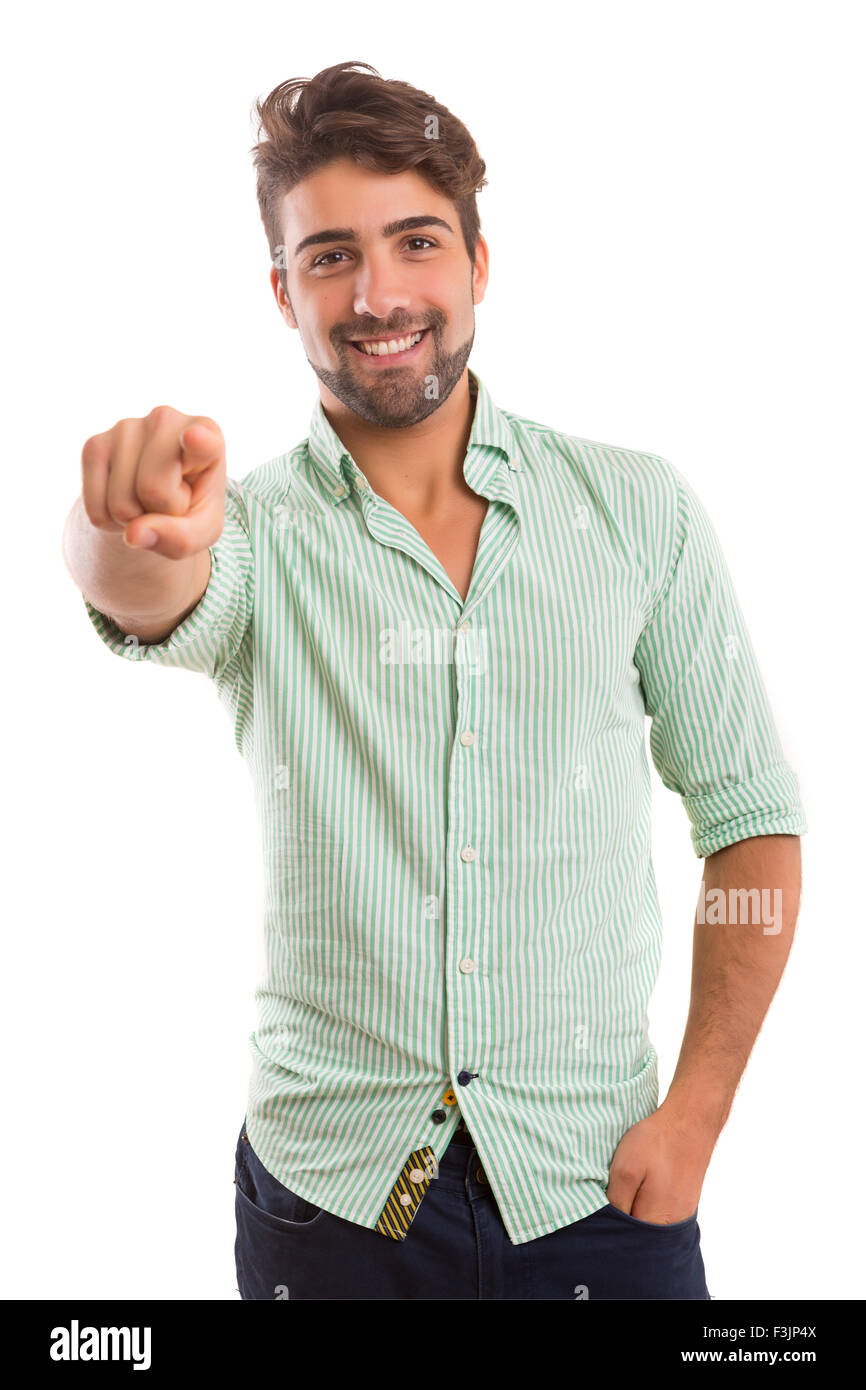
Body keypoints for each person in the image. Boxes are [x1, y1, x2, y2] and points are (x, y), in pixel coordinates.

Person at [62, 61, 806, 1301]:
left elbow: (749, 827)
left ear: (475, 260)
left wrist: (696, 1120)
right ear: (282, 291)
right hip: (329, 1201)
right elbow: (146, 591)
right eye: (330, 256)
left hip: (598, 1190)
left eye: (414, 241)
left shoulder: (635, 511)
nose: (379, 293)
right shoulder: (249, 535)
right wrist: (116, 524)